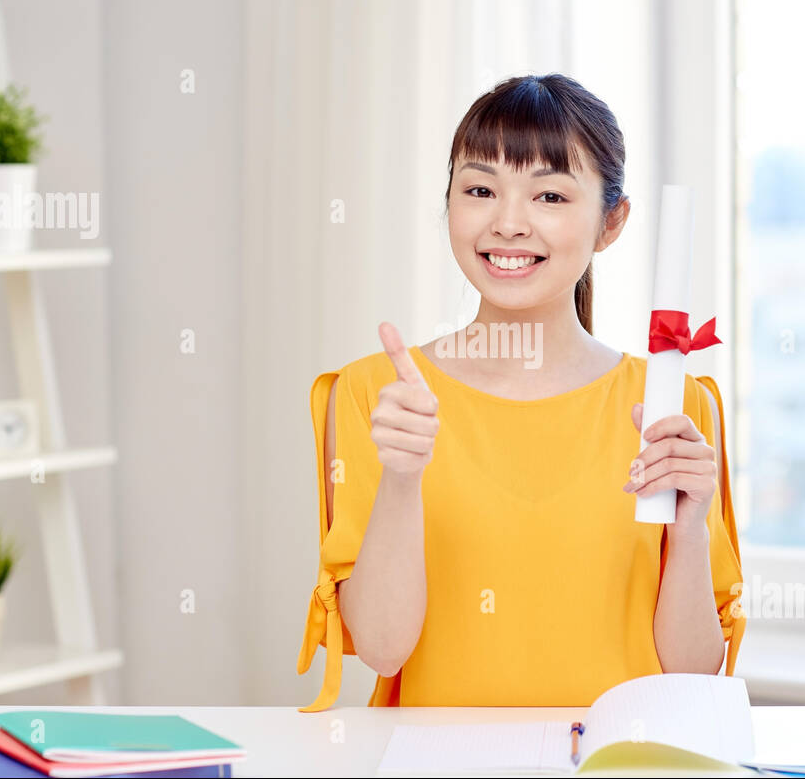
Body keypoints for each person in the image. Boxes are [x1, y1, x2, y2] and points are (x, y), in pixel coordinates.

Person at [297, 74, 744, 711]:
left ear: (610, 223)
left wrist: (693, 527)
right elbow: (382, 648)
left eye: (550, 197)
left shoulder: (674, 404)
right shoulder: (380, 395)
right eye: (480, 190)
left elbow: (692, 677)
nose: (508, 223)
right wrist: (401, 479)